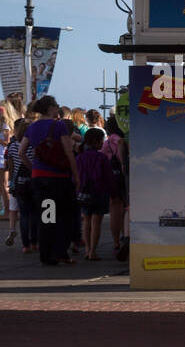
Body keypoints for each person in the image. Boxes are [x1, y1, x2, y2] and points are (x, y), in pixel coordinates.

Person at [18, 95, 79, 266]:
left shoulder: (32, 127)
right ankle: (61, 252)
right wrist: (76, 175)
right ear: (50, 108)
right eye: (56, 105)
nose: (58, 108)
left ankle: (46, 255)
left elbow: (22, 152)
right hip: (59, 179)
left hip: (40, 180)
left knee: (47, 217)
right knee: (65, 217)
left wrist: (33, 169)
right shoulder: (59, 126)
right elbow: (68, 152)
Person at [75, 127, 114, 261]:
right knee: (96, 222)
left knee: (86, 221)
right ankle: (93, 251)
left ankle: (86, 249)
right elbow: (108, 177)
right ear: (97, 142)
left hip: (83, 192)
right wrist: (112, 193)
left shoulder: (80, 157)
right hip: (99, 192)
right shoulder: (101, 157)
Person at [5, 119, 36, 252]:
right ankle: (34, 242)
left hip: (19, 183)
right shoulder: (33, 145)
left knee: (23, 214)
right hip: (33, 182)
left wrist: (12, 182)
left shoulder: (12, 146)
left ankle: (25, 245)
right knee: (35, 214)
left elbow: (10, 167)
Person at [104, 115, 129, 258]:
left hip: (111, 177)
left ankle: (116, 243)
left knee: (114, 210)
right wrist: (123, 163)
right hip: (121, 176)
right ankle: (124, 237)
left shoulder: (106, 143)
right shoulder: (119, 139)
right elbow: (120, 143)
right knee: (126, 209)